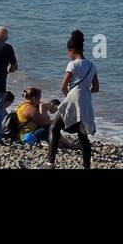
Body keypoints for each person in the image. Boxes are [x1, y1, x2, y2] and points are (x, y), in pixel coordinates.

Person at [45, 30, 100, 169]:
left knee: (54, 127)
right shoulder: (92, 65)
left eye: (68, 52)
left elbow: (63, 86)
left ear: (72, 50)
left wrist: (68, 96)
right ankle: (86, 166)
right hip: (86, 100)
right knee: (83, 136)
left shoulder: (72, 64)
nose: (67, 55)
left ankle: (50, 163)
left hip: (73, 98)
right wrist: (85, 92)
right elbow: (96, 88)